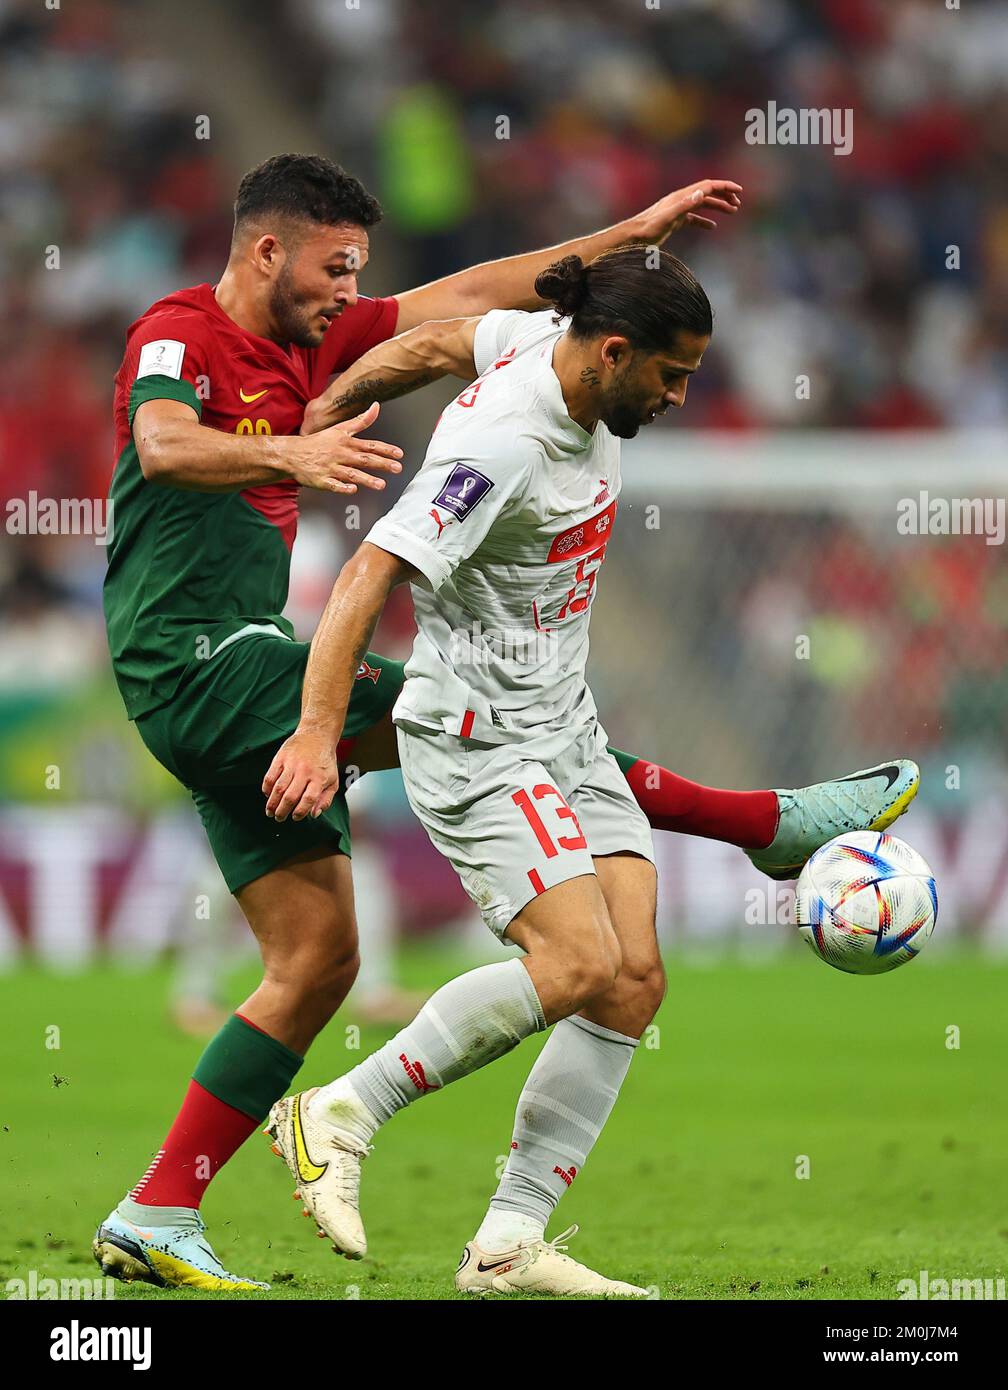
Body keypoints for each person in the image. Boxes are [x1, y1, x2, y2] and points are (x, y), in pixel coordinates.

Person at [93, 153, 916, 1291]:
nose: (351, 290)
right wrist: (298, 451)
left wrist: (631, 236)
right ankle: (761, 820)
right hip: (198, 662)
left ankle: (158, 1209)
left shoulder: (320, 334)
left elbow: (478, 294)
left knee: (319, 962)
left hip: (247, 669)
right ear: (266, 250)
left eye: (359, 272)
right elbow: (162, 447)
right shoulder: (177, 332)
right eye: (336, 268)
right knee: (475, 709)